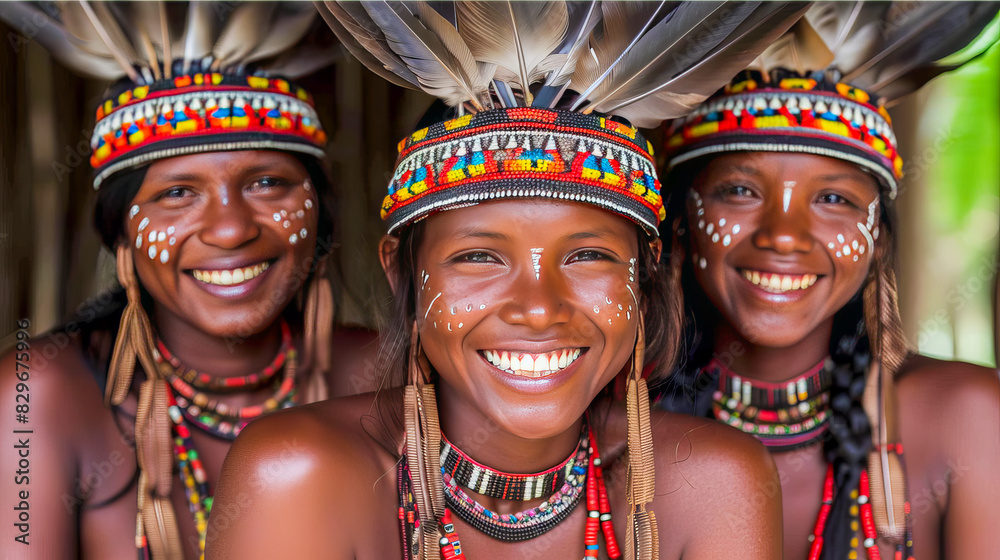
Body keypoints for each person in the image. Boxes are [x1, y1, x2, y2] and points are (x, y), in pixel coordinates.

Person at [207, 2, 807, 558]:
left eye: (587, 256)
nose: (539, 309)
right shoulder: (298, 474)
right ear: (403, 274)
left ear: (645, 277)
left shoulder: (714, 482)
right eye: (480, 258)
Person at [0, 3, 377, 558]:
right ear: (120, 233)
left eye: (267, 182)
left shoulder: (385, 376)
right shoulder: (37, 396)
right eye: (177, 193)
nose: (229, 230)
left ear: (318, 210)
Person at [657, 5, 1000, 559]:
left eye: (833, 199)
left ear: (878, 239)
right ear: (681, 222)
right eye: (741, 191)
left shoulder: (966, 416)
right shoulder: (621, 435)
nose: (784, 237)